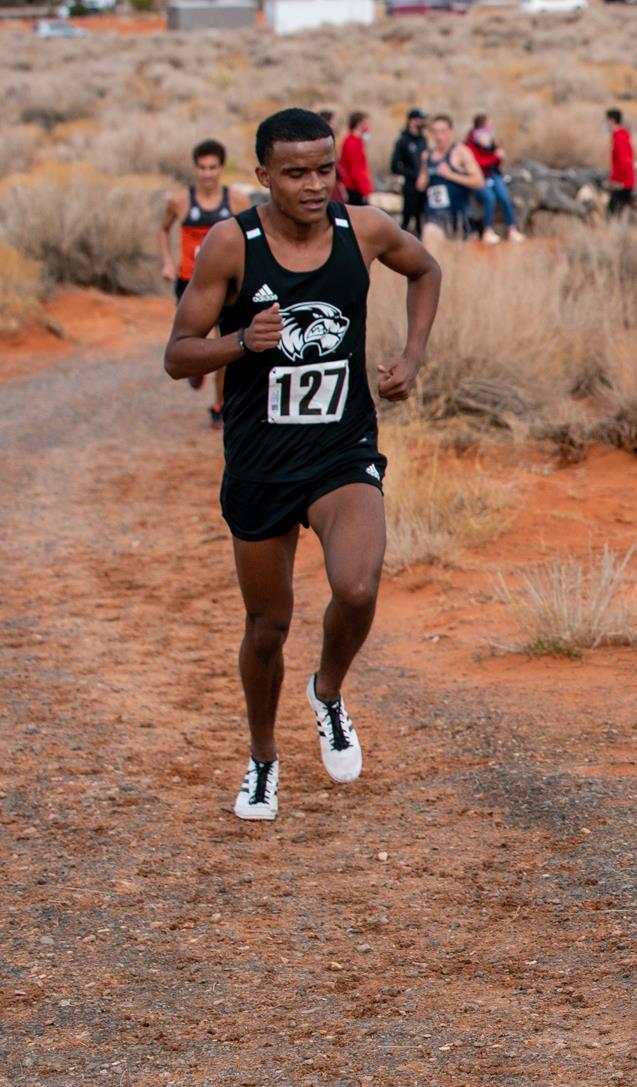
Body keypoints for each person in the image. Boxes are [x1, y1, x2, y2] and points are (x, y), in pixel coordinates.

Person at [163, 108, 441, 821]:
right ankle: (262, 758)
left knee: (357, 585)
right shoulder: (232, 245)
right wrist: (239, 343)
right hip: (260, 462)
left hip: (340, 450)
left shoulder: (363, 229)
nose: (315, 184)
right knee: (267, 626)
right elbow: (178, 355)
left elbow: (425, 269)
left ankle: (328, 691)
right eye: (295, 173)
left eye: (324, 169)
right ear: (264, 176)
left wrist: (412, 355)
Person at [159, 138, 252, 430]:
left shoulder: (237, 201)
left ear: (221, 168)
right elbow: (163, 230)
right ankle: (196, 370)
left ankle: (219, 404)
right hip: (190, 282)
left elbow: (250, 236)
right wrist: (167, 262)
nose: (207, 173)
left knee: (224, 345)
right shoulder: (180, 201)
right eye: (202, 167)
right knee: (192, 341)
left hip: (226, 284)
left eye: (212, 167)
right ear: (195, 168)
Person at [418, 113, 483, 241]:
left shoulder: (461, 152)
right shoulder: (427, 155)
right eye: (435, 132)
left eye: (443, 131)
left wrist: (451, 175)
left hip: (460, 216)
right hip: (435, 216)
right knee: (430, 236)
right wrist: (421, 183)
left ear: (450, 132)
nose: (439, 136)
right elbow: (422, 182)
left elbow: (479, 181)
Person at [467, 114, 525, 244]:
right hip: (479, 177)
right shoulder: (470, 144)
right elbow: (478, 163)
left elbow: (495, 163)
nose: (490, 128)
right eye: (488, 125)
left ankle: (512, 230)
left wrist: (498, 157)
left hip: (493, 174)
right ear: (480, 126)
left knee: (504, 197)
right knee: (490, 198)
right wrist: (494, 156)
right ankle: (487, 231)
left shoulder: (490, 141)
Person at [389, 108, 428, 237]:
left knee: (421, 219)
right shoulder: (403, 141)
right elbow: (394, 166)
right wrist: (413, 175)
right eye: (419, 120)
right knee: (407, 219)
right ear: (411, 121)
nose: (422, 122)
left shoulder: (423, 139)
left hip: (423, 186)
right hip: (410, 186)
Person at [606, 107, 636, 219]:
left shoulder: (620, 137)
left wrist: (620, 181)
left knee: (612, 213)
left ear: (612, 121)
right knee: (616, 213)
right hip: (621, 182)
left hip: (624, 183)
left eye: (607, 121)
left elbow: (624, 161)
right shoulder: (617, 136)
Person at [339, 111, 374, 206]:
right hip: (353, 188)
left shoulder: (354, 141)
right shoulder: (353, 143)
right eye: (366, 123)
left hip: (353, 187)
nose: (369, 126)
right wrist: (366, 190)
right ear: (359, 124)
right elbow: (357, 170)